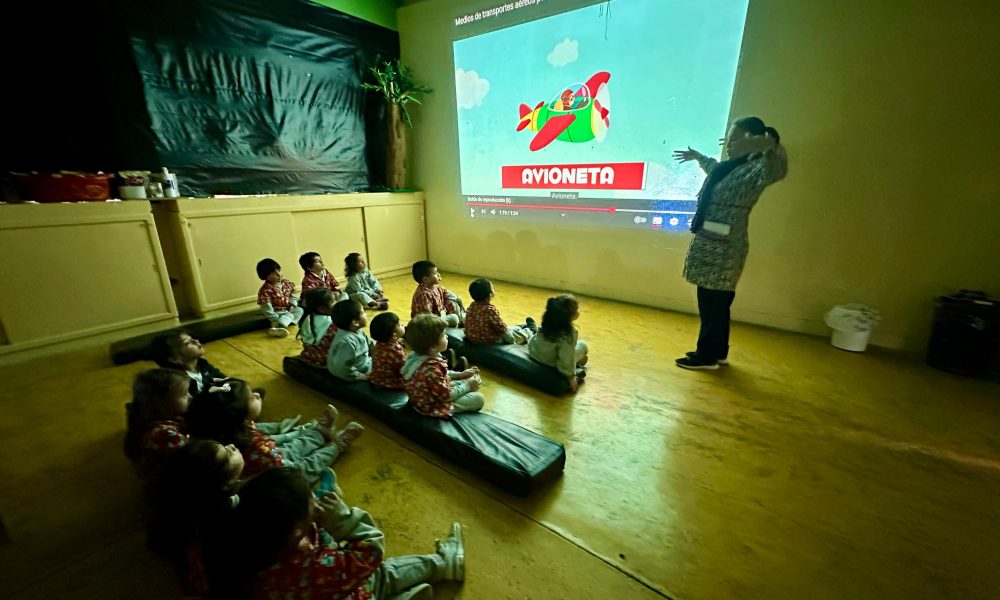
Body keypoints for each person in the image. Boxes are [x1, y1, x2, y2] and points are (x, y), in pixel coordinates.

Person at [201, 467, 466, 599]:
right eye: (311, 503)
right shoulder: (313, 568)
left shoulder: (231, 540)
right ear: (294, 530)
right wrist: (342, 519)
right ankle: (444, 565)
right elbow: (371, 552)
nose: (314, 505)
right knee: (380, 574)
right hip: (333, 589)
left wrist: (314, 523)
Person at [671, 116, 788, 370]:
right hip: (709, 245)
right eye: (729, 139)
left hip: (723, 249)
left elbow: (778, 166)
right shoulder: (730, 167)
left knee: (714, 303)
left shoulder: (757, 168)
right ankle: (718, 352)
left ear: (753, 142)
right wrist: (697, 156)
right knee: (715, 303)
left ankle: (706, 356)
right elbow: (713, 167)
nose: (729, 145)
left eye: (735, 140)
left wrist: (768, 142)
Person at [185, 378, 362, 482]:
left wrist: (298, 434)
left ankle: (318, 433)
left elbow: (269, 443)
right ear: (238, 415)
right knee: (304, 465)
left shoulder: (223, 429)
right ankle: (337, 446)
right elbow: (293, 471)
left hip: (263, 459)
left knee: (293, 446)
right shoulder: (258, 448)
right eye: (251, 397)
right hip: (274, 475)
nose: (257, 395)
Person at [402, 314, 484, 418]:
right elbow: (446, 395)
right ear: (432, 347)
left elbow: (443, 374)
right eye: (443, 335)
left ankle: (465, 384)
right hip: (430, 406)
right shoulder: (431, 370)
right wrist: (468, 386)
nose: (447, 336)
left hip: (429, 395)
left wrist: (461, 375)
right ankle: (455, 405)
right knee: (478, 399)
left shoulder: (418, 356)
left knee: (465, 381)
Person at [124, 368, 193, 487]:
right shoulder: (163, 434)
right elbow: (194, 460)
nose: (190, 396)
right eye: (184, 395)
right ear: (162, 404)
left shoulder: (147, 413)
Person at [527, 294, 588, 393]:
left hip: (534, 352)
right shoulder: (569, 334)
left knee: (571, 349)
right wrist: (571, 376)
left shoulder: (548, 320)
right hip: (550, 362)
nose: (579, 311)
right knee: (583, 345)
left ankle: (579, 359)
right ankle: (579, 359)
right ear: (569, 316)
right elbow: (565, 359)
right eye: (577, 310)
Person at [464, 278, 537, 345]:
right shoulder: (489, 310)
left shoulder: (471, 307)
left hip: (475, 337)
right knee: (517, 335)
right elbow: (501, 328)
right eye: (492, 288)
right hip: (490, 340)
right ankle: (531, 330)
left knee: (510, 329)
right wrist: (511, 340)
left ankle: (520, 327)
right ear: (490, 294)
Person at [327, 299, 375, 381]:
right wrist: (359, 376)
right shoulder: (346, 342)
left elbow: (370, 345)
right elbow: (340, 368)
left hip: (368, 363)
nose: (366, 315)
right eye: (363, 313)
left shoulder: (357, 331)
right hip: (361, 371)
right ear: (355, 322)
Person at [256, 258, 304, 338]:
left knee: (299, 310)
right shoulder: (265, 290)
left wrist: (293, 303)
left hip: (288, 309)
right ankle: (278, 327)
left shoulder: (286, 283)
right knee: (289, 315)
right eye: (273, 273)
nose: (278, 274)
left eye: (279, 270)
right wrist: (274, 318)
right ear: (265, 276)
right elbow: (266, 307)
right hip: (277, 312)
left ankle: (284, 323)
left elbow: (293, 295)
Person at [410, 260, 465, 327]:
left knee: (452, 303)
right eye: (435, 273)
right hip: (427, 322)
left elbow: (448, 294)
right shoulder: (423, 294)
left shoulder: (435, 287)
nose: (438, 274)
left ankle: (461, 319)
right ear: (426, 279)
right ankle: (459, 321)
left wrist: (458, 299)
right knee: (454, 319)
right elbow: (427, 317)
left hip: (439, 314)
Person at [297, 288, 338, 368]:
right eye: (333, 302)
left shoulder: (308, 318)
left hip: (309, 353)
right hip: (324, 357)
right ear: (322, 309)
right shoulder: (331, 322)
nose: (336, 303)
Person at [368, 312, 407, 390]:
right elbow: (404, 370)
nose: (402, 325)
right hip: (388, 383)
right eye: (400, 325)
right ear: (394, 335)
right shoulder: (395, 350)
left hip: (375, 378)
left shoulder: (379, 344)